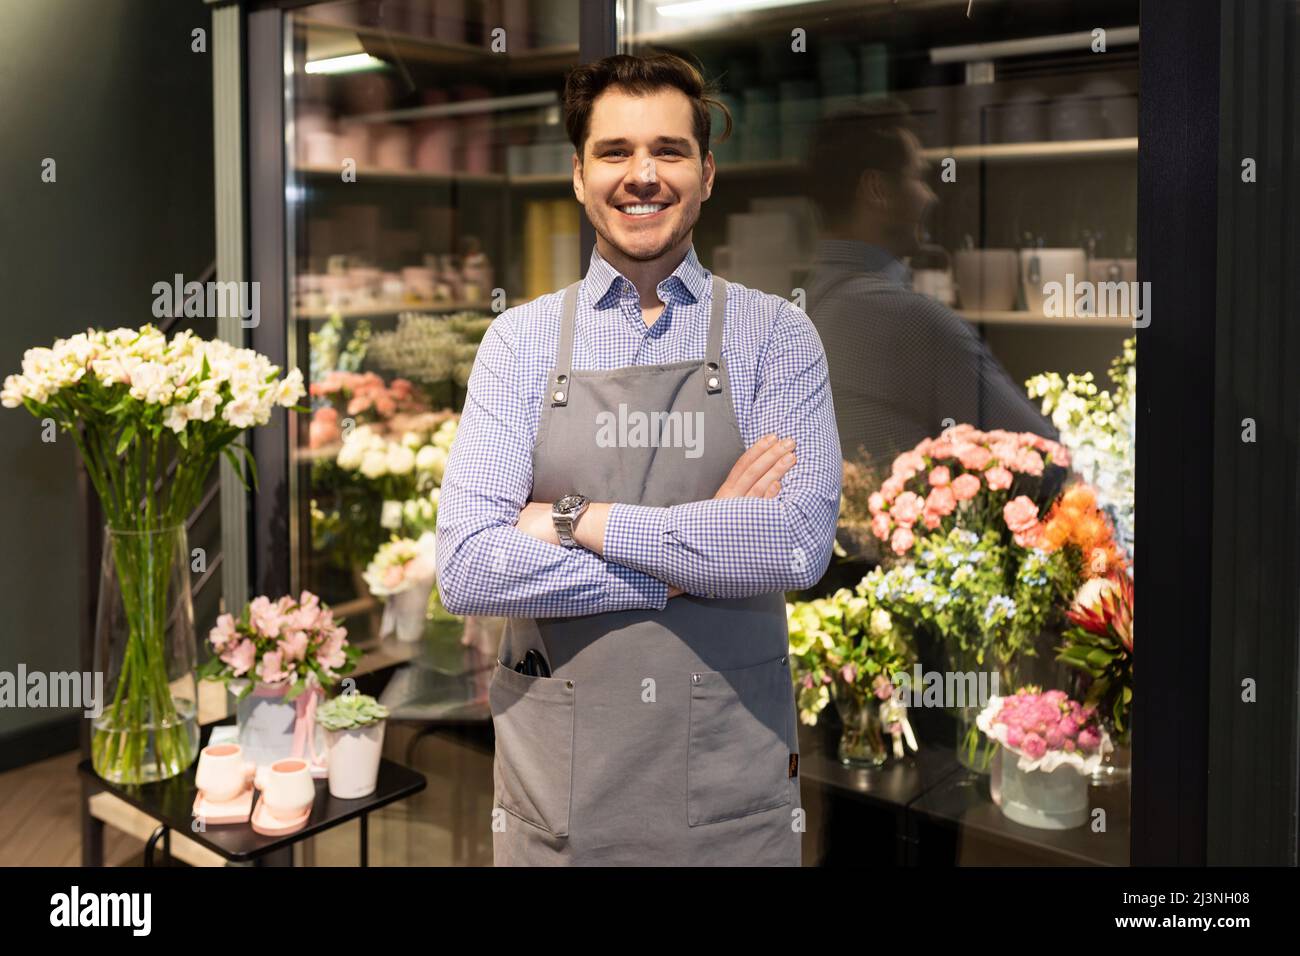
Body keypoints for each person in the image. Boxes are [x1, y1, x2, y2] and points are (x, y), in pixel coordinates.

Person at [435, 52, 841, 866]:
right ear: (579, 175)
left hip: (730, 796)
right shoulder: (516, 343)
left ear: (707, 173)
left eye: (669, 150)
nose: (642, 175)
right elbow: (469, 568)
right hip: (561, 799)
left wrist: (576, 520)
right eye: (615, 152)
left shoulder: (776, 336)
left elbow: (795, 545)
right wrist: (694, 555)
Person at [802, 101, 1057, 474]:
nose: (931, 196)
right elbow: (1049, 459)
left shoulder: (797, 308)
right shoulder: (912, 322)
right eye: (918, 177)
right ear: (877, 189)